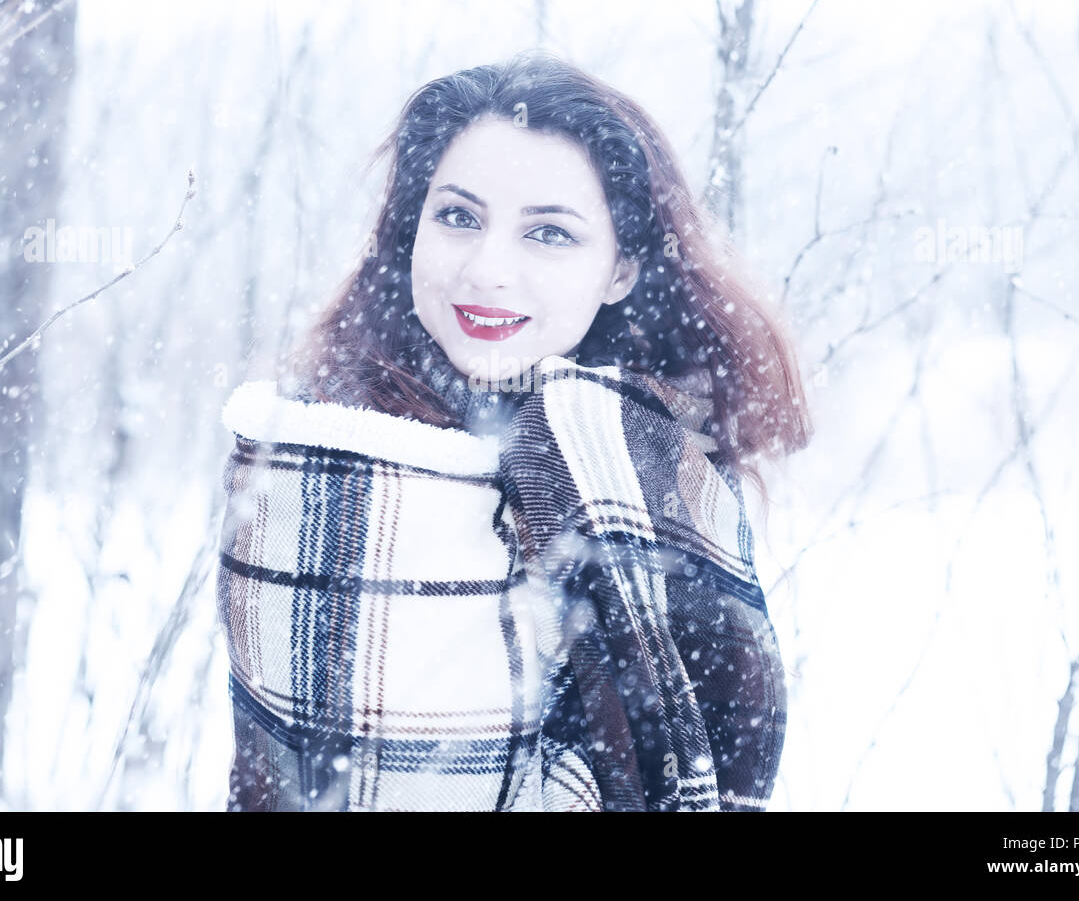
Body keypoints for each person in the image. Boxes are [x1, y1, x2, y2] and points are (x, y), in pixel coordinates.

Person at [216, 50, 813, 811]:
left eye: (550, 234)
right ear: (411, 233)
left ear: (622, 268)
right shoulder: (316, 464)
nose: (487, 270)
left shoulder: (658, 463)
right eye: (459, 218)